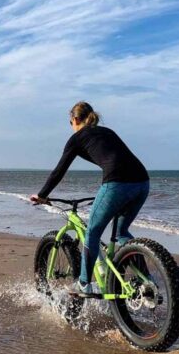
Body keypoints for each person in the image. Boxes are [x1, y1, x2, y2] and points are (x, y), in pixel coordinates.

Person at [30, 101, 150, 296]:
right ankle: (147, 280)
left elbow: (59, 170)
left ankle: (84, 283)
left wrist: (42, 195)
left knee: (92, 233)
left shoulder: (77, 138)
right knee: (121, 233)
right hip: (142, 182)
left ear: (75, 120)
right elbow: (114, 157)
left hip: (117, 182)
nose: (71, 127)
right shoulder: (107, 132)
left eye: (71, 123)